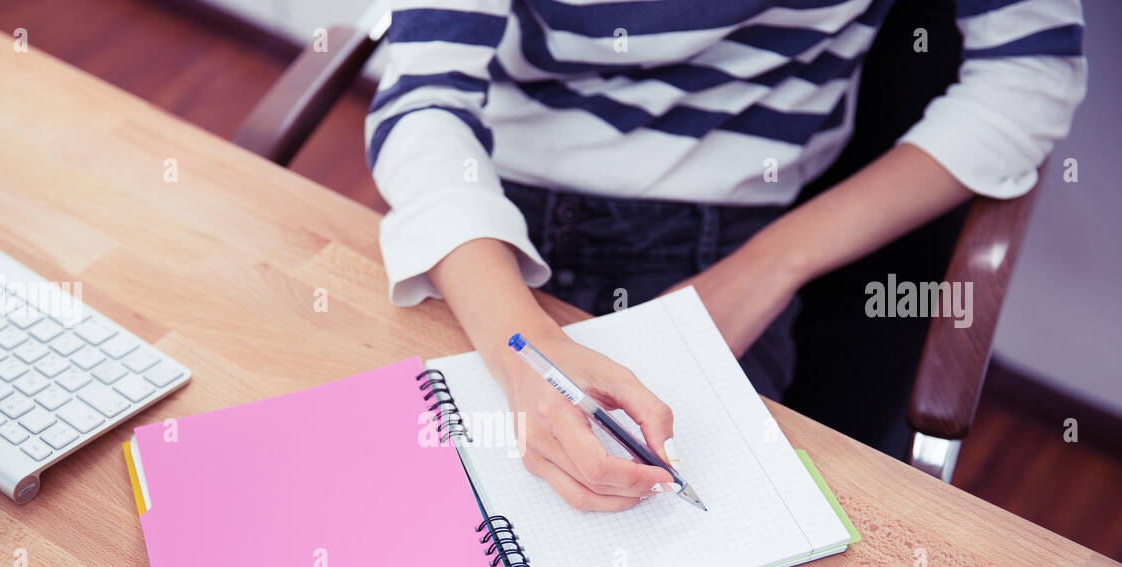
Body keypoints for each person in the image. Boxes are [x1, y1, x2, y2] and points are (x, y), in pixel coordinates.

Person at [366, 0, 1086, 511]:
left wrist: (768, 268)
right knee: (382, 504)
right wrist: (522, 348)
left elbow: (1029, 79)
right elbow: (423, 95)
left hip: (728, 237)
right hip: (477, 215)